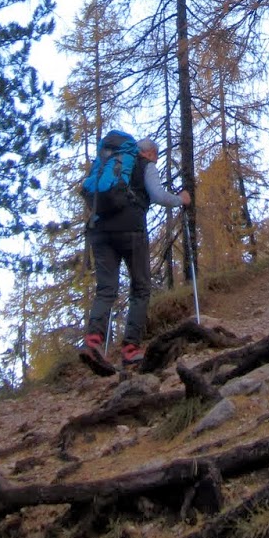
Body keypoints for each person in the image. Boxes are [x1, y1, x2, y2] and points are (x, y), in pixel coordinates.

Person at [82, 137, 191, 370]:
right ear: (150, 153)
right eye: (156, 155)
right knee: (140, 288)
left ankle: (93, 341)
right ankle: (130, 348)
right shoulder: (146, 166)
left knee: (106, 289)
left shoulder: (110, 164)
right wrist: (181, 200)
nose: (156, 159)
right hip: (131, 231)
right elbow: (159, 196)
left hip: (99, 231)